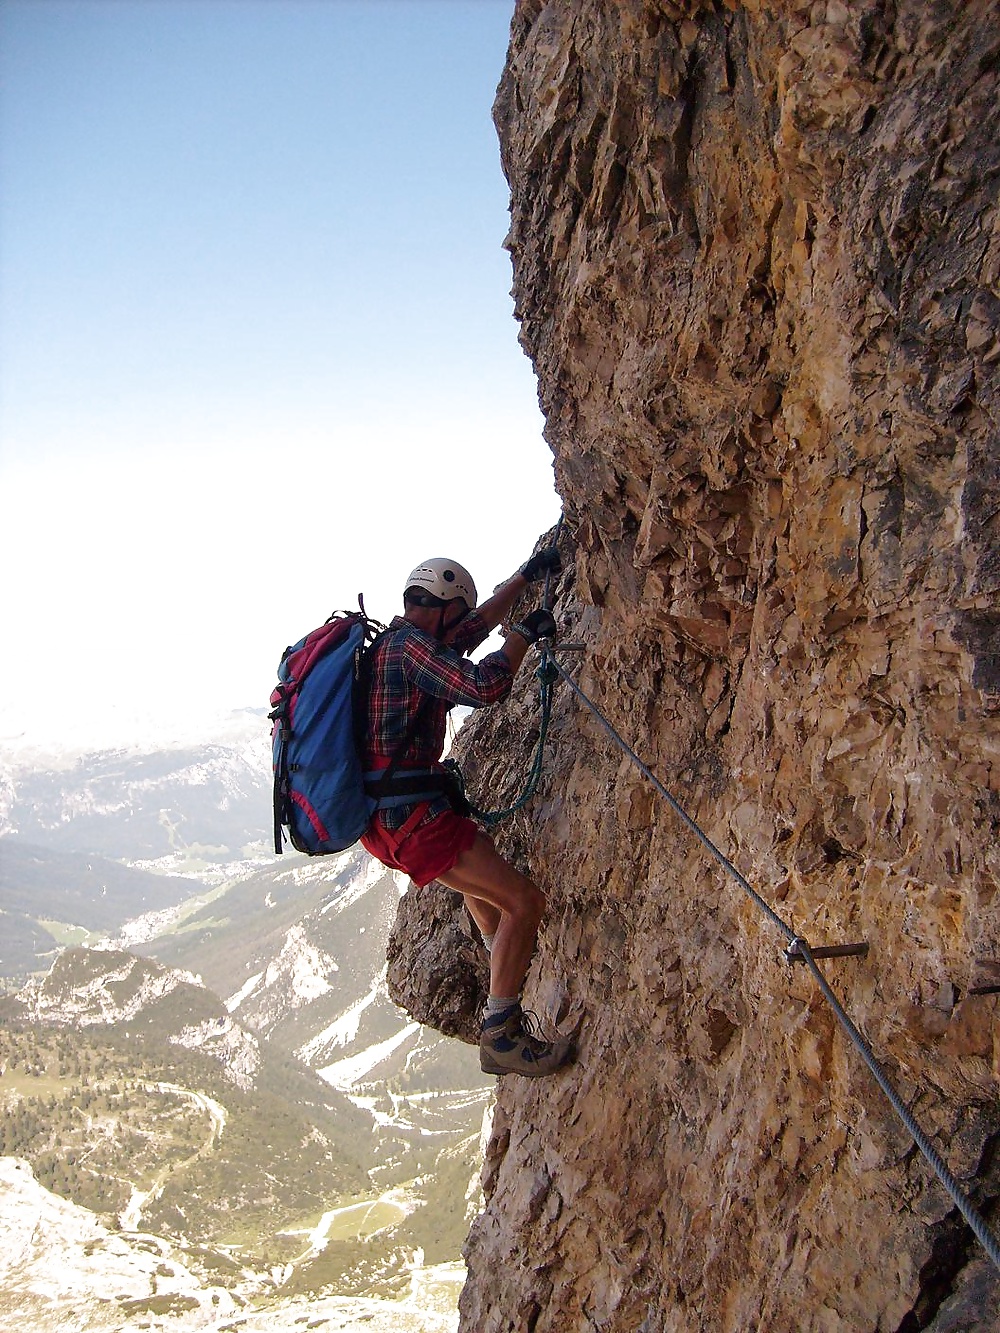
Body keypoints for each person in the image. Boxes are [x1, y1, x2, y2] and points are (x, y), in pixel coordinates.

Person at [360, 553, 574, 1078]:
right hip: (413, 821)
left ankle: (501, 954)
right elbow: (485, 687)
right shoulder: (412, 649)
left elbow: (475, 626)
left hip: (395, 818)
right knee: (525, 902)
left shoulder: (399, 643)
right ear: (443, 609)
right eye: (458, 614)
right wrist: (522, 637)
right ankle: (501, 1033)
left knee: (485, 875)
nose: (463, 624)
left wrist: (525, 576)